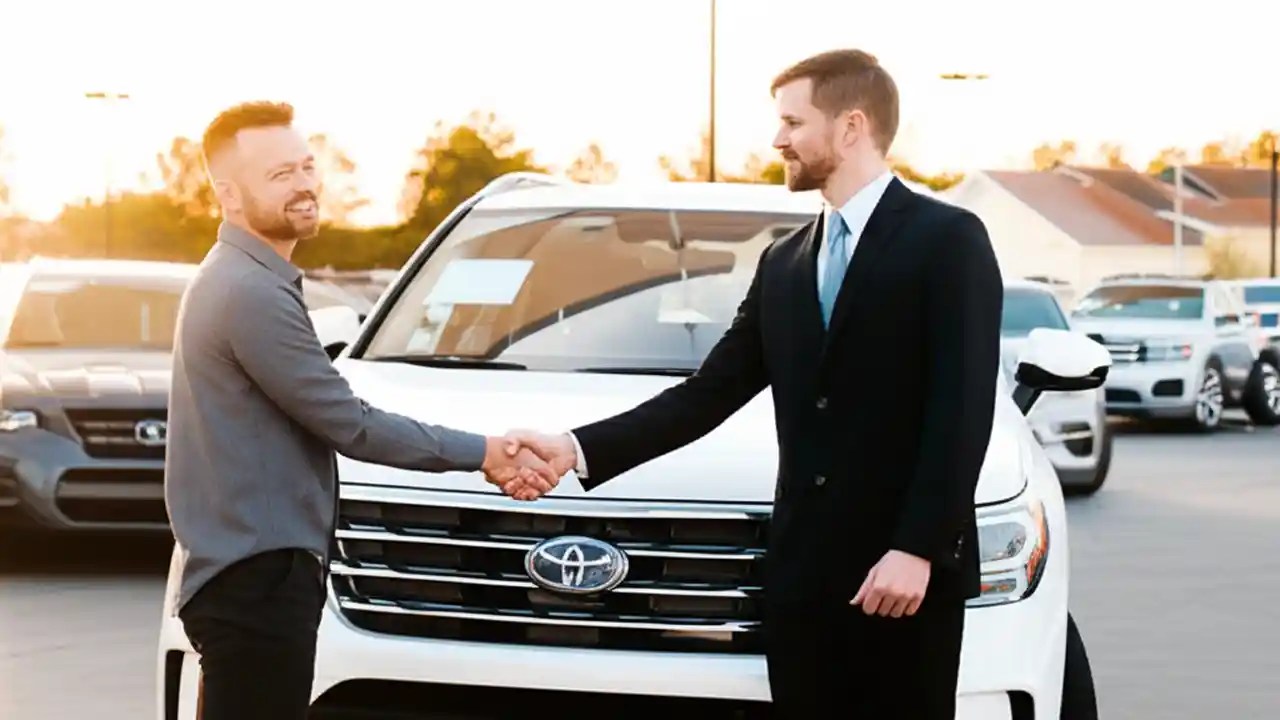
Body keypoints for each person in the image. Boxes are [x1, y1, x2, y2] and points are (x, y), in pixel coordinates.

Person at [503, 49, 1003, 718]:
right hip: (801, 585)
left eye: (793, 122)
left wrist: (916, 548)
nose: (777, 140)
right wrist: (574, 448)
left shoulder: (950, 240)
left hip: (902, 580)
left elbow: (961, 409)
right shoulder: (785, 262)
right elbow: (706, 394)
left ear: (851, 127)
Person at [163, 101, 555, 720]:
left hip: (249, 576)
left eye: (306, 167)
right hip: (257, 583)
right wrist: (486, 452)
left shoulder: (242, 280)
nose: (304, 185)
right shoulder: (248, 292)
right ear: (229, 196)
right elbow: (351, 424)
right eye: (279, 175)